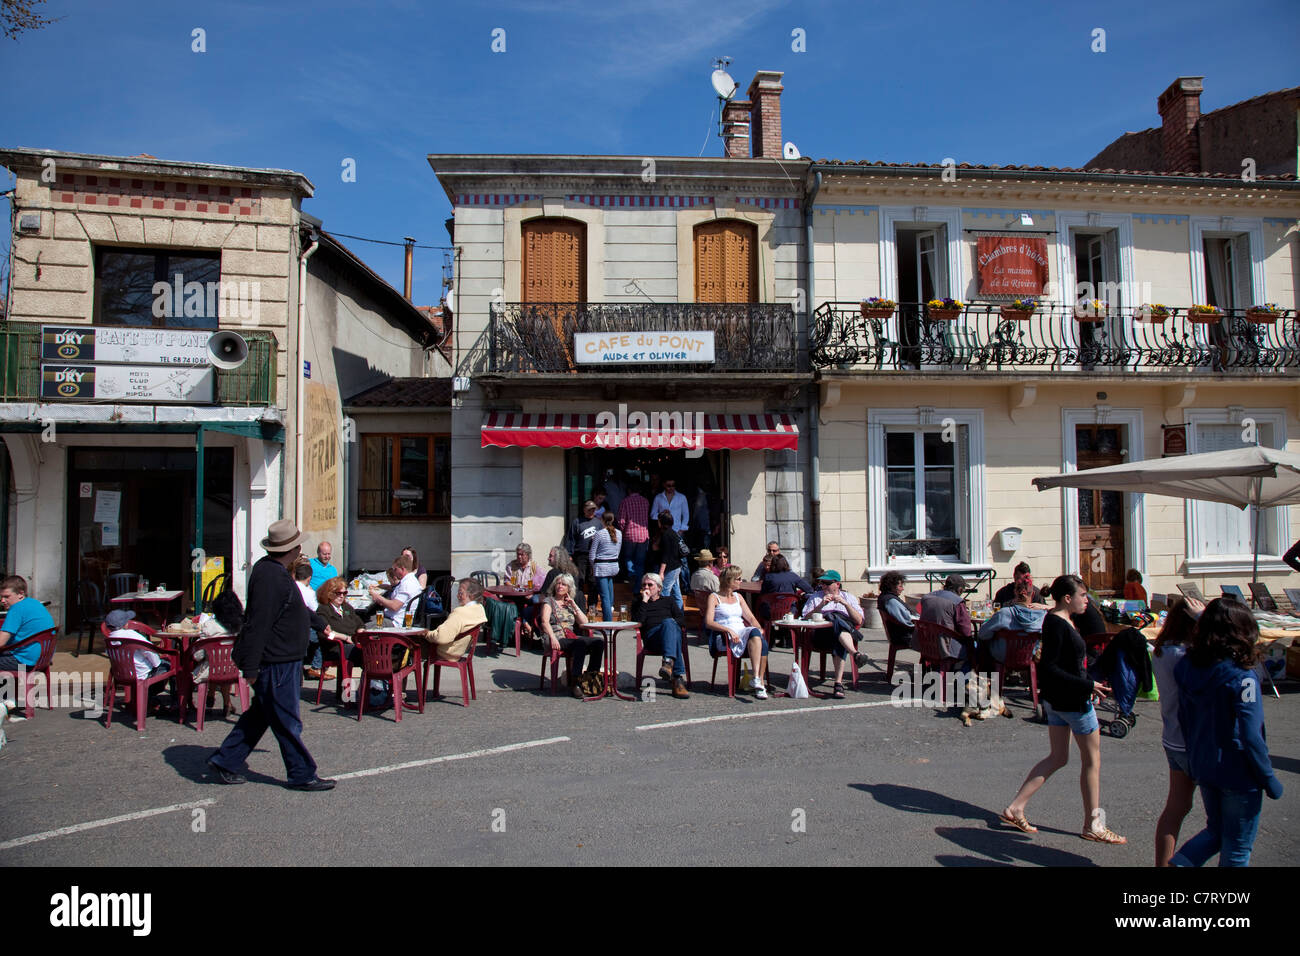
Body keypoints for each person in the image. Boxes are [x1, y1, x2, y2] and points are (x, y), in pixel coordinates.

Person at [208, 518, 335, 791]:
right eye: (298, 547)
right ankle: (302, 773)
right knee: (287, 719)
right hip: (276, 661)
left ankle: (225, 760)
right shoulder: (270, 576)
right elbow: (258, 623)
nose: (301, 551)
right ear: (290, 550)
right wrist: (251, 668)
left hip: (282, 658)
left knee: (262, 714)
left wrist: (318, 624)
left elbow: (295, 608)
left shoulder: (273, 572)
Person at [1000, 574, 1125, 844]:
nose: (1087, 601)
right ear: (1068, 598)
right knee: (1092, 762)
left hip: (1057, 702)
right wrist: (1088, 684)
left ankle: (1015, 808)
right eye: (1083, 596)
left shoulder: (1058, 618)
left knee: (1058, 757)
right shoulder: (1058, 623)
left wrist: (1050, 606)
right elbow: (1050, 668)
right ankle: (1093, 824)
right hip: (1073, 702)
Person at [1170, 598, 1283, 867]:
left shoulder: (1186, 666)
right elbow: (1251, 734)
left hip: (1204, 764)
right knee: (1238, 847)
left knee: (1216, 832)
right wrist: (1268, 778)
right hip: (1238, 771)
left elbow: (1185, 719)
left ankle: (1180, 863)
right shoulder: (1241, 676)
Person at [1151, 597, 1204, 867]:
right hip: (1195, 741)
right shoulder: (1188, 656)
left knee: (1177, 807)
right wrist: (1204, 619)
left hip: (1173, 738)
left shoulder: (1162, 651)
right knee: (1220, 820)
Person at [800, 570, 869, 699]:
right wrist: (821, 605)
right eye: (822, 583)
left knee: (839, 632)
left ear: (837, 584)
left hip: (840, 638)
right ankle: (855, 655)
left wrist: (845, 604)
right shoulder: (815, 597)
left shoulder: (849, 597)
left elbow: (859, 620)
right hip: (821, 635)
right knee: (836, 623)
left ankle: (838, 683)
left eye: (827, 583)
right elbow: (805, 617)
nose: (823, 586)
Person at [705, 567, 770, 699]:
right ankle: (759, 683)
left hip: (742, 633)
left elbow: (751, 618)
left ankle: (758, 680)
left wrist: (759, 627)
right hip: (724, 635)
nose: (741, 581)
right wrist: (728, 630)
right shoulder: (714, 597)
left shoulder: (738, 597)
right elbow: (709, 622)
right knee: (758, 639)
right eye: (738, 579)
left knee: (759, 637)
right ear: (730, 581)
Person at [539, 574, 603, 698]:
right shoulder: (549, 601)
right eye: (558, 583)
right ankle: (575, 683)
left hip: (569, 637)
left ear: (569, 588)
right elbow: (544, 622)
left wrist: (573, 605)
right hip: (555, 637)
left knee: (598, 642)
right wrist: (552, 638)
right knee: (580, 643)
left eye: (564, 584)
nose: (560, 586)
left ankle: (589, 678)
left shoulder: (569, 604)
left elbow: (584, 623)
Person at [632, 572, 689, 699]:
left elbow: (681, 620)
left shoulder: (669, 600)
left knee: (670, 624)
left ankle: (668, 664)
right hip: (653, 638)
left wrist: (671, 625)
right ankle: (677, 678)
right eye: (644, 585)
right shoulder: (638, 602)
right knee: (672, 631)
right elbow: (637, 622)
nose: (646, 587)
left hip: (670, 635)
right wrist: (644, 601)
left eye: (650, 585)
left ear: (659, 588)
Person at [105, 609, 170, 708]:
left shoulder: (108, 640)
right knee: (170, 666)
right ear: (125, 624)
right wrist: (157, 664)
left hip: (122, 675)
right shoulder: (131, 635)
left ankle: (144, 700)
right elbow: (150, 650)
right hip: (143, 674)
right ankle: (171, 702)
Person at [420, 578, 488, 663]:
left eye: (461, 593)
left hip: (445, 652)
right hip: (458, 652)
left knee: (409, 642)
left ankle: (402, 674)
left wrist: (426, 634)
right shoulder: (479, 609)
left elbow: (441, 637)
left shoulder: (460, 612)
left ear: (472, 595)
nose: (458, 596)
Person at [0, 575, 55, 671]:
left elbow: (1, 642)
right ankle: (8, 685)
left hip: (25, 662)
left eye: (6, 597)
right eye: (1, 597)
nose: (2, 601)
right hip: (43, 659)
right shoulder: (35, 603)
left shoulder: (17, 608)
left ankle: (6, 685)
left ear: (21, 594)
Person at [919, 573, 975, 669]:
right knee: (975, 646)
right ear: (960, 589)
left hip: (926, 644)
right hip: (945, 646)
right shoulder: (957, 602)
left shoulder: (927, 597)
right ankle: (963, 681)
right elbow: (965, 630)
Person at [368, 554, 421, 626]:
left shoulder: (408, 584)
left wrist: (378, 597)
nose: (394, 572)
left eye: (395, 569)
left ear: (402, 569)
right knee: (363, 621)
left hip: (395, 623)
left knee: (362, 628)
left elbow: (394, 606)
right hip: (391, 617)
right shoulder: (408, 581)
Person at [616, 482, 651, 583]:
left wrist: (623, 531)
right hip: (643, 535)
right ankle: (638, 584)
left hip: (629, 535)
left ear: (629, 490)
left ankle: (631, 574)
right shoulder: (645, 501)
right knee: (640, 561)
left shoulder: (625, 501)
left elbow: (621, 521)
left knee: (628, 557)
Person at [588, 512, 621, 618]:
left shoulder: (599, 533)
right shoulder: (619, 533)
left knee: (604, 597)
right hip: (613, 565)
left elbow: (592, 553)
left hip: (601, 566)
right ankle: (610, 610)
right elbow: (618, 551)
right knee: (609, 593)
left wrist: (593, 566)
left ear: (602, 520)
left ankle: (608, 623)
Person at [567, 502, 602, 597]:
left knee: (593, 580)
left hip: (594, 556)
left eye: (593, 509)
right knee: (579, 579)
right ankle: (579, 602)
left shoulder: (598, 523)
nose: (591, 511)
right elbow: (571, 539)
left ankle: (592, 605)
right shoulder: (577, 522)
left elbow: (603, 539)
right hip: (580, 555)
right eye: (589, 509)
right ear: (584, 510)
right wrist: (569, 554)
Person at [653, 511, 686, 611]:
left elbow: (666, 555)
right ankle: (680, 616)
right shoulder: (673, 533)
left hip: (670, 568)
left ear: (661, 522)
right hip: (676, 566)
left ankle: (664, 615)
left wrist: (661, 572)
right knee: (676, 593)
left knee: (664, 592)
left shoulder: (666, 535)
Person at [877, 570, 916, 643]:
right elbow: (907, 620)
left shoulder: (884, 597)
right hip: (904, 636)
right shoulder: (891, 601)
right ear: (892, 586)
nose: (902, 589)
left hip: (899, 634)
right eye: (900, 586)